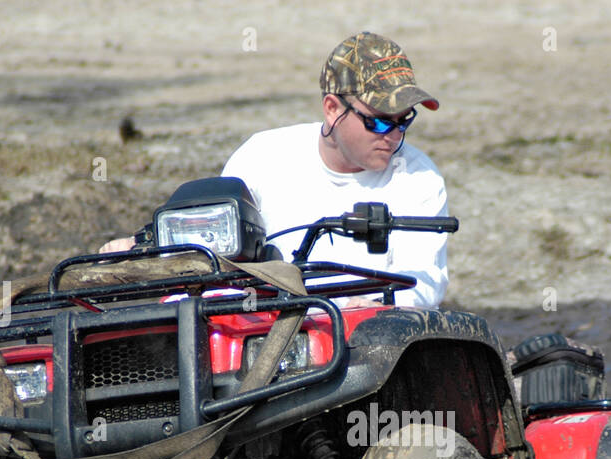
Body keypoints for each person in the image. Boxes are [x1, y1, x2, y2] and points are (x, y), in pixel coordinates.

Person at [101, 32, 450, 309]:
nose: (393, 136)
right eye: (378, 122)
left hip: (360, 338)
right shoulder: (263, 155)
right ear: (332, 108)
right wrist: (142, 246)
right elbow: (212, 250)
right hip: (265, 324)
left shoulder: (419, 178)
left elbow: (424, 284)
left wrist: (371, 306)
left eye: (404, 121)